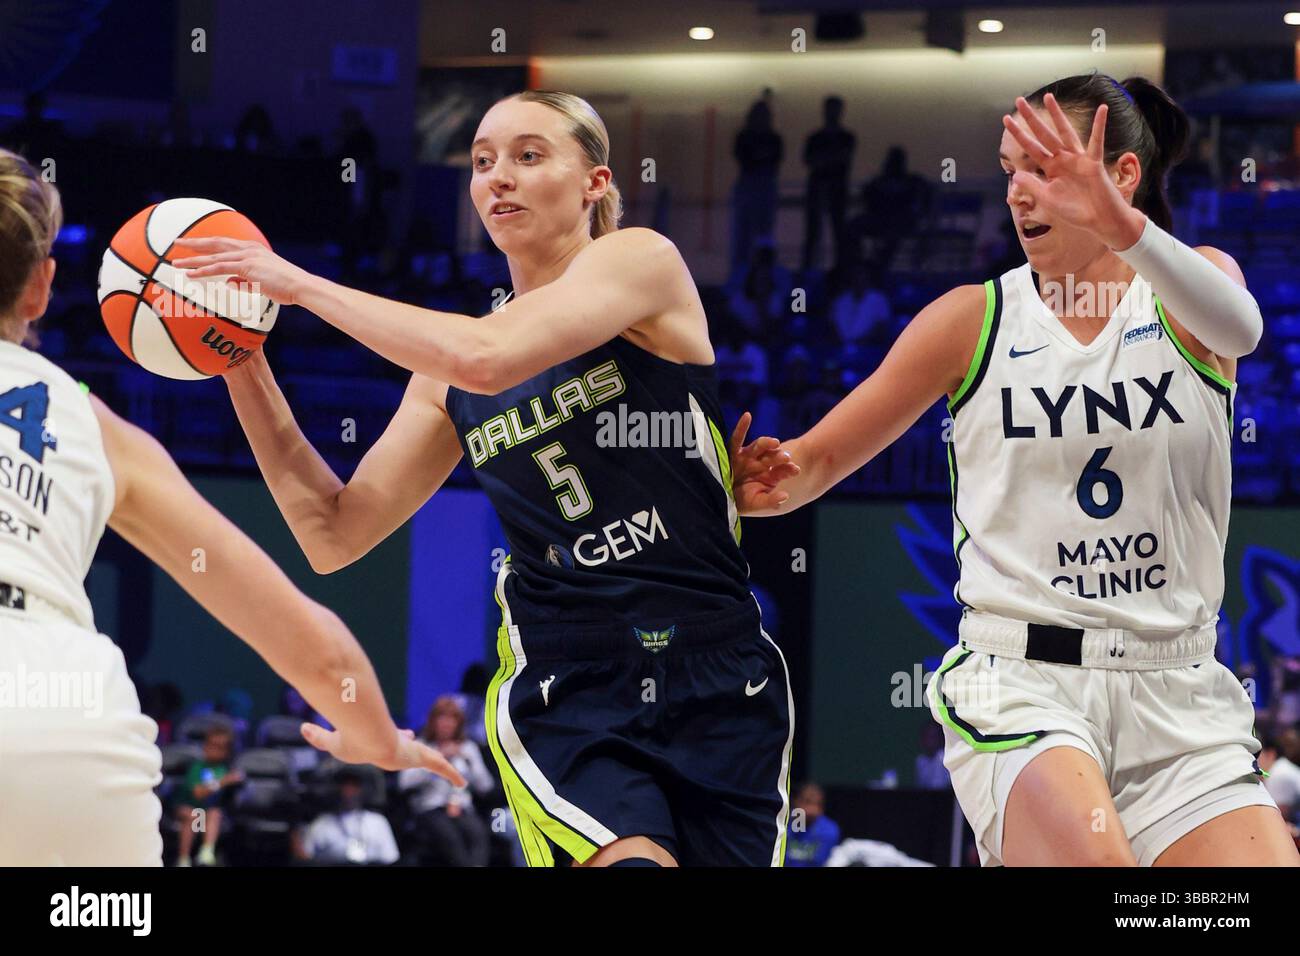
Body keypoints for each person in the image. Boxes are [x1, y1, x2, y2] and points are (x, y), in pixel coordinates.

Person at [174, 89, 795, 867]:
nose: (498, 176)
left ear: (595, 183)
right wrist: (242, 361)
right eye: (481, 161)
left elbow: (488, 356)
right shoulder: (448, 376)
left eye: (528, 155)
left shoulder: (641, 261)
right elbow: (333, 533)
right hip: (570, 679)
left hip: (721, 666)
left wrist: (296, 283)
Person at [729, 75, 1299, 866]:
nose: (1019, 195)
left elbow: (1242, 327)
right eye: (1009, 172)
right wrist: (750, 487)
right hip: (1027, 683)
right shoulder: (973, 319)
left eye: (1044, 169)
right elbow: (814, 461)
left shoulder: (1189, 288)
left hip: (1180, 690)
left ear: (1121, 177)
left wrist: (1124, 230)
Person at [0, 148, 464, 866]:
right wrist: (377, 736)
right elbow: (312, 643)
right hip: (71, 734)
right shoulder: (102, 432)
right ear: (42, 289)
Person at [398, 696, 495, 866]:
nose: (447, 724)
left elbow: (486, 786)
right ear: (433, 721)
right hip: (430, 808)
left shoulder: (468, 748)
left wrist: (469, 761)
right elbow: (404, 782)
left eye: (452, 719)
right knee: (450, 836)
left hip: (462, 808)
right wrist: (437, 760)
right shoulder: (421, 746)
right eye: (442, 718)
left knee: (478, 833)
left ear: (459, 723)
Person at [296, 768, 400, 865]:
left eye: (354, 785)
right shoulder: (322, 823)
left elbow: (390, 858)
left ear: (362, 789)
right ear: (336, 789)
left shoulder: (378, 822)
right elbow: (304, 858)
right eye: (344, 785)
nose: (349, 790)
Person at [173, 727, 243, 866]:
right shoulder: (197, 767)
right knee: (194, 814)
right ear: (205, 746)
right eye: (211, 745)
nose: (214, 750)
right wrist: (222, 782)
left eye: (220, 747)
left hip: (208, 810)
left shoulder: (225, 769)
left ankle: (206, 853)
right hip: (186, 806)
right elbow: (197, 794)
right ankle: (183, 859)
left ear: (227, 751)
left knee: (215, 813)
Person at [801, 95, 855, 272]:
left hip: (834, 189)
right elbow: (812, 160)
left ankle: (837, 270)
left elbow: (821, 160)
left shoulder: (845, 138)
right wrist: (831, 159)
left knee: (837, 232)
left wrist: (824, 160)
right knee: (814, 232)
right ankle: (809, 270)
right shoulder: (840, 138)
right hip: (822, 189)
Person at [785, 782, 841, 867]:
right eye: (807, 802)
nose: (812, 810)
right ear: (795, 801)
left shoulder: (829, 830)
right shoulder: (781, 825)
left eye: (817, 804)